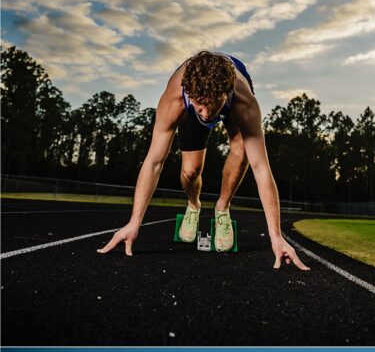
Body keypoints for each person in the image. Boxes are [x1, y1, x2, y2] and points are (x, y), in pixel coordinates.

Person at [98, 50, 307, 267]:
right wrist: (134, 223)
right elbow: (154, 163)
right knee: (190, 170)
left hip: (231, 94)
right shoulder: (175, 99)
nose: (206, 113)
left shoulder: (244, 103)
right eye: (200, 105)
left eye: (213, 105)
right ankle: (193, 204)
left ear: (226, 94)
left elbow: (261, 168)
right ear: (189, 92)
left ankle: (222, 208)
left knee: (243, 149)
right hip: (199, 96)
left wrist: (276, 236)